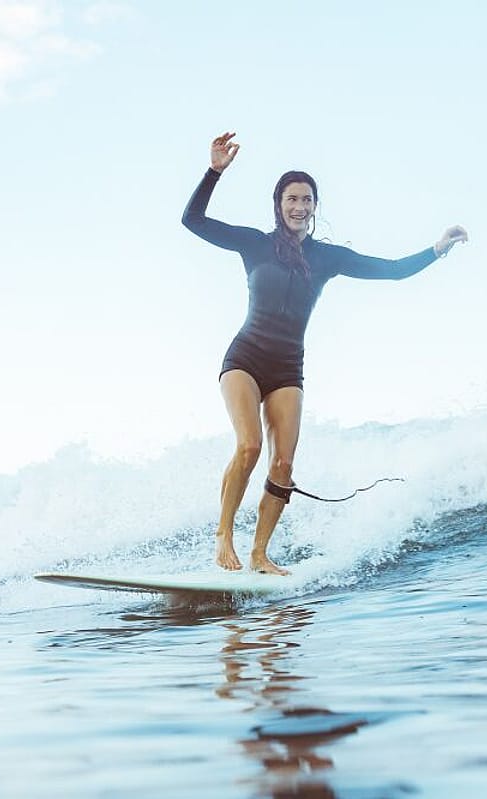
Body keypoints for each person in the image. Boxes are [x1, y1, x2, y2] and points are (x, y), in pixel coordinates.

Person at [181, 131, 468, 576]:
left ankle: (259, 554)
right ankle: (223, 536)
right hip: (245, 359)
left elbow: (390, 272)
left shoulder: (327, 258)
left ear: (315, 206)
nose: (299, 207)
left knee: (283, 462)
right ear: (278, 204)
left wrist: (436, 250)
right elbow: (193, 221)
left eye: (307, 200)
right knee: (250, 445)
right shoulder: (254, 243)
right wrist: (213, 172)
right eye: (292, 199)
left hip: (286, 369)